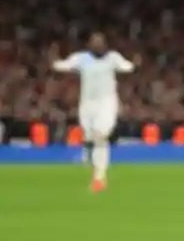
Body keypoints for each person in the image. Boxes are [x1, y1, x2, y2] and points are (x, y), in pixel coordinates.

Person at [53, 32, 136, 192]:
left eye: (100, 42)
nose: (98, 45)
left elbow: (129, 67)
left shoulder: (113, 58)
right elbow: (60, 65)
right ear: (90, 45)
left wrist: (136, 61)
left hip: (107, 104)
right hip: (87, 105)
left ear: (105, 44)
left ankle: (99, 177)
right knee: (90, 137)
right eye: (94, 42)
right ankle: (89, 153)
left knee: (101, 135)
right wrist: (53, 56)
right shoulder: (81, 58)